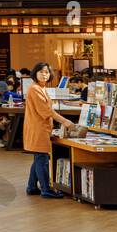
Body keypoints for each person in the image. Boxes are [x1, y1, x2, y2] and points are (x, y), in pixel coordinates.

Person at [23, 61, 72, 198]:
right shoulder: (35, 89)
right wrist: (65, 121)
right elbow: (46, 111)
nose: (44, 74)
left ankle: (32, 187)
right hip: (38, 128)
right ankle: (46, 189)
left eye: (46, 72)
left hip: (41, 127)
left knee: (38, 157)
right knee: (42, 158)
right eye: (41, 72)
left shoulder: (41, 88)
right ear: (35, 73)